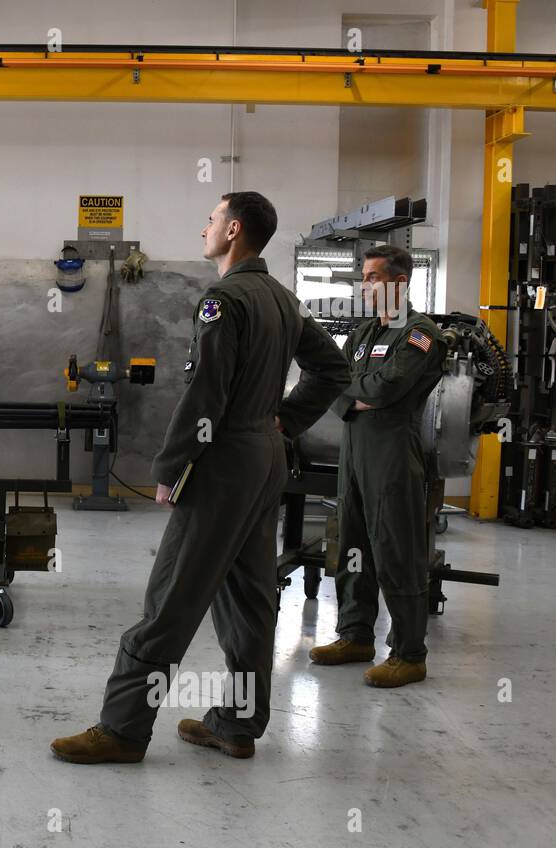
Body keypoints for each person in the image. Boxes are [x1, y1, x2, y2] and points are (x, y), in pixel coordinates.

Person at [51, 191, 351, 764]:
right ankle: (238, 725)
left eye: (212, 219)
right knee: (250, 598)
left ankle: (121, 728)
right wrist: (281, 421)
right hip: (266, 458)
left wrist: (171, 466)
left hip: (222, 465)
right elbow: (333, 368)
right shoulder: (284, 300)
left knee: (172, 597)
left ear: (234, 230)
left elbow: (205, 393)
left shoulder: (224, 299)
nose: (204, 228)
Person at [309, 244, 446, 687]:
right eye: (363, 279)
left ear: (400, 282)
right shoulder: (364, 333)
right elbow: (338, 386)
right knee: (351, 544)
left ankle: (409, 653)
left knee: (396, 550)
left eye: (372, 278)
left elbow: (385, 390)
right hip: (354, 452)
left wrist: (356, 392)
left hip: (391, 454)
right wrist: (355, 395)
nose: (365, 286)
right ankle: (355, 635)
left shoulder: (421, 333)